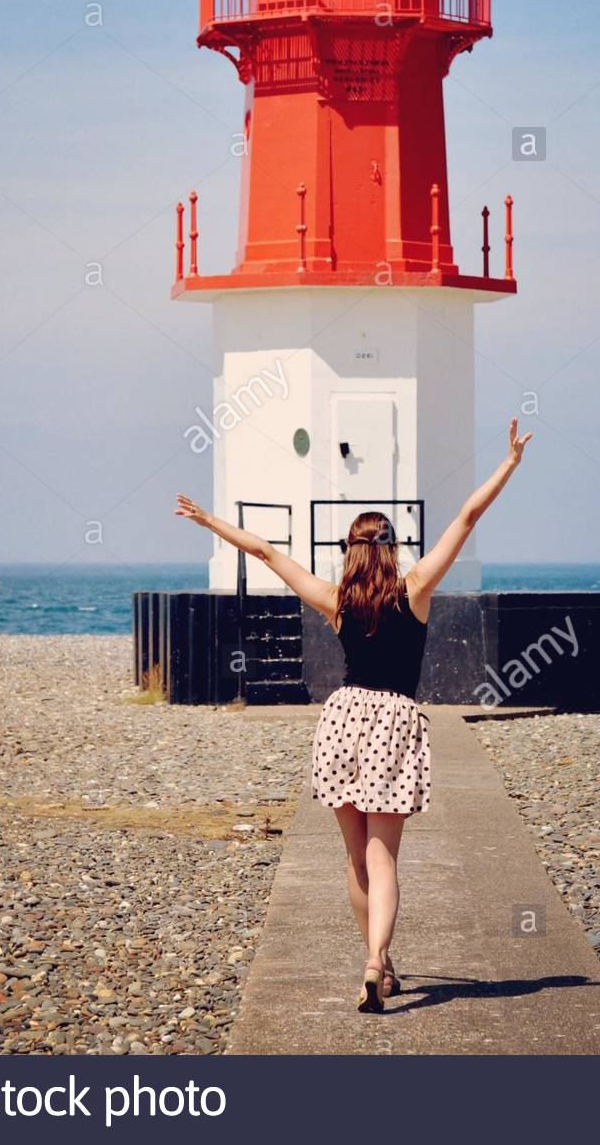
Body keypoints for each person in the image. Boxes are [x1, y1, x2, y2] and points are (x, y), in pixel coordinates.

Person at [175, 417, 533, 1013]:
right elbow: (467, 519)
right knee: (384, 854)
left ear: (349, 550)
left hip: (343, 718)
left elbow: (265, 551)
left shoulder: (336, 600)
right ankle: (376, 961)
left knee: (354, 854)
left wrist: (209, 520)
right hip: (394, 720)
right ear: (390, 548)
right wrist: (509, 464)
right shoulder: (414, 588)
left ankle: (378, 961)